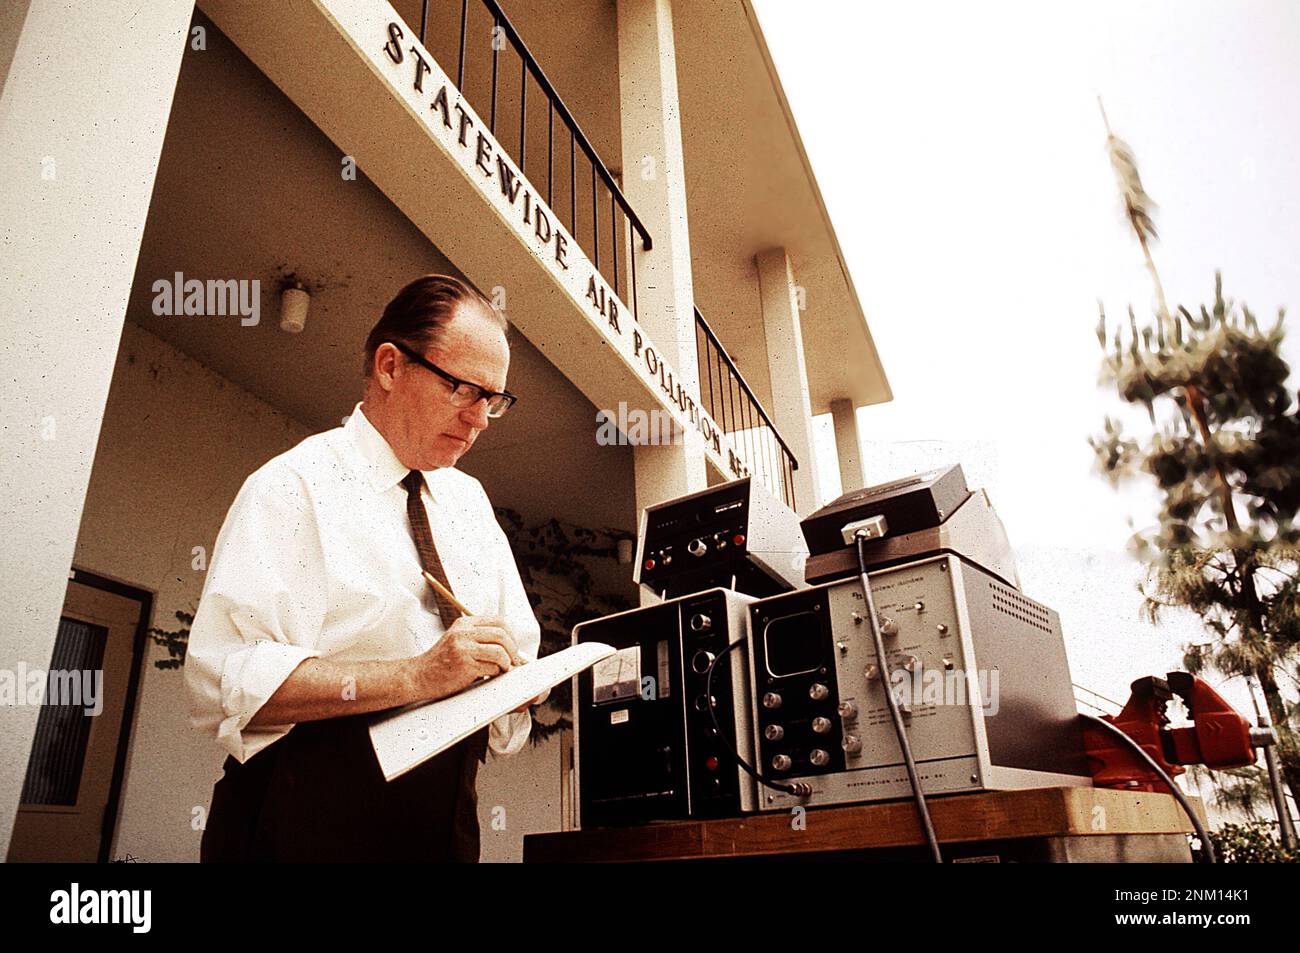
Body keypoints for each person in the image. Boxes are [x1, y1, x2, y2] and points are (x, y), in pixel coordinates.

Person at [185, 274, 546, 862]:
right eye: (463, 389)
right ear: (389, 366)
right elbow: (225, 680)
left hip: (445, 823)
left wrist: (515, 684)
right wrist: (417, 676)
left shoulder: (470, 505)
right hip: (305, 819)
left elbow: (514, 657)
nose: (480, 418)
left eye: (494, 400)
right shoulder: (294, 486)